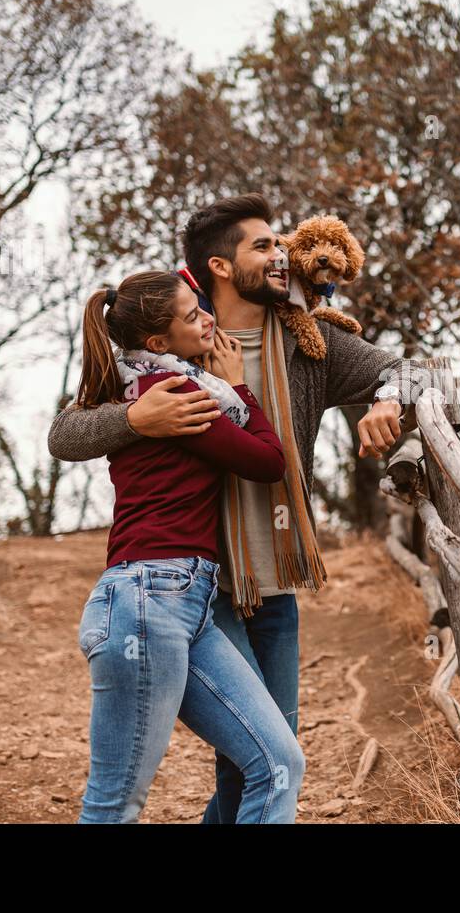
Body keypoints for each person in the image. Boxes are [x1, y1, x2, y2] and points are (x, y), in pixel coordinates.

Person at [48, 193, 417, 824]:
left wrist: (388, 399)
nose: (284, 256)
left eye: (281, 245)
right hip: (195, 585)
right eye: (265, 245)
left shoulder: (312, 343)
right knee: (247, 765)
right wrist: (135, 418)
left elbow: (409, 368)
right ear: (221, 267)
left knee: (268, 763)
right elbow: (65, 434)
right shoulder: (169, 342)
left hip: (274, 586)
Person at [71, 268, 305, 823]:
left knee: (278, 763)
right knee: (115, 802)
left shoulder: (141, 384)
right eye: (191, 315)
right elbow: (267, 462)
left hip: (184, 602)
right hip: (150, 598)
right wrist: (239, 384)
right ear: (157, 343)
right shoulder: (178, 395)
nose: (207, 318)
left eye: (202, 305)